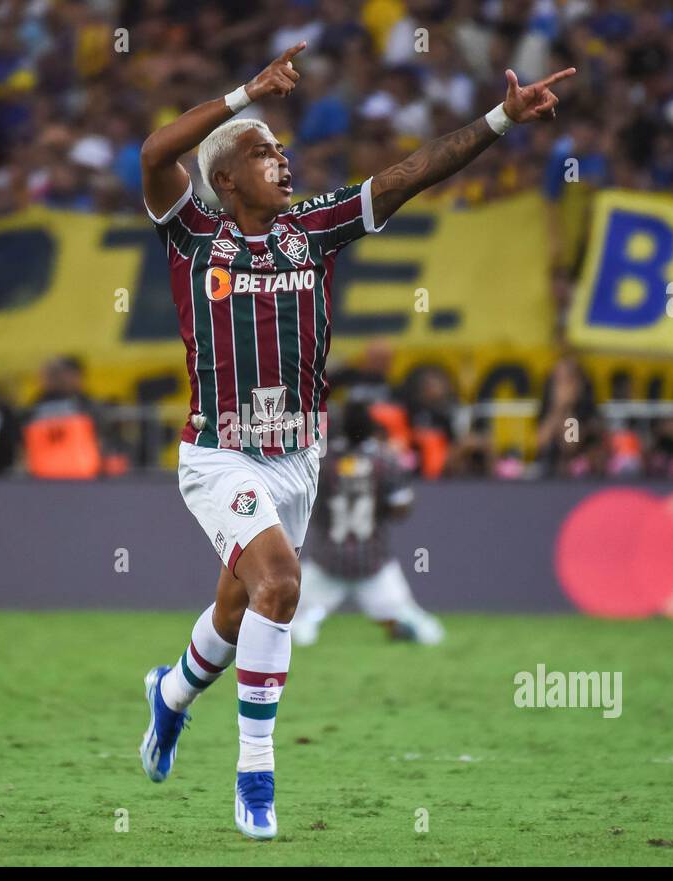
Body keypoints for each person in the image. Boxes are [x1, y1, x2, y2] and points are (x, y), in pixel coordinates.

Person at [135, 39, 575, 839]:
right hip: (220, 453)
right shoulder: (191, 229)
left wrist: (500, 119)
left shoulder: (314, 230)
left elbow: (413, 172)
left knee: (239, 612)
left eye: (283, 149)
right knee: (280, 583)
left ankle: (169, 697)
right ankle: (256, 776)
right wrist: (244, 96)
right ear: (225, 178)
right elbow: (156, 150)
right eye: (264, 154)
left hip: (298, 462)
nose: (283, 161)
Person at [291, 401, 444, 647]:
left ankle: (311, 620)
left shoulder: (323, 460)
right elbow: (401, 509)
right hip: (373, 561)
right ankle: (396, 620)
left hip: (328, 560)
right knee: (427, 632)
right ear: (373, 429)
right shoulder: (385, 461)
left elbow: (303, 502)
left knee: (296, 629)